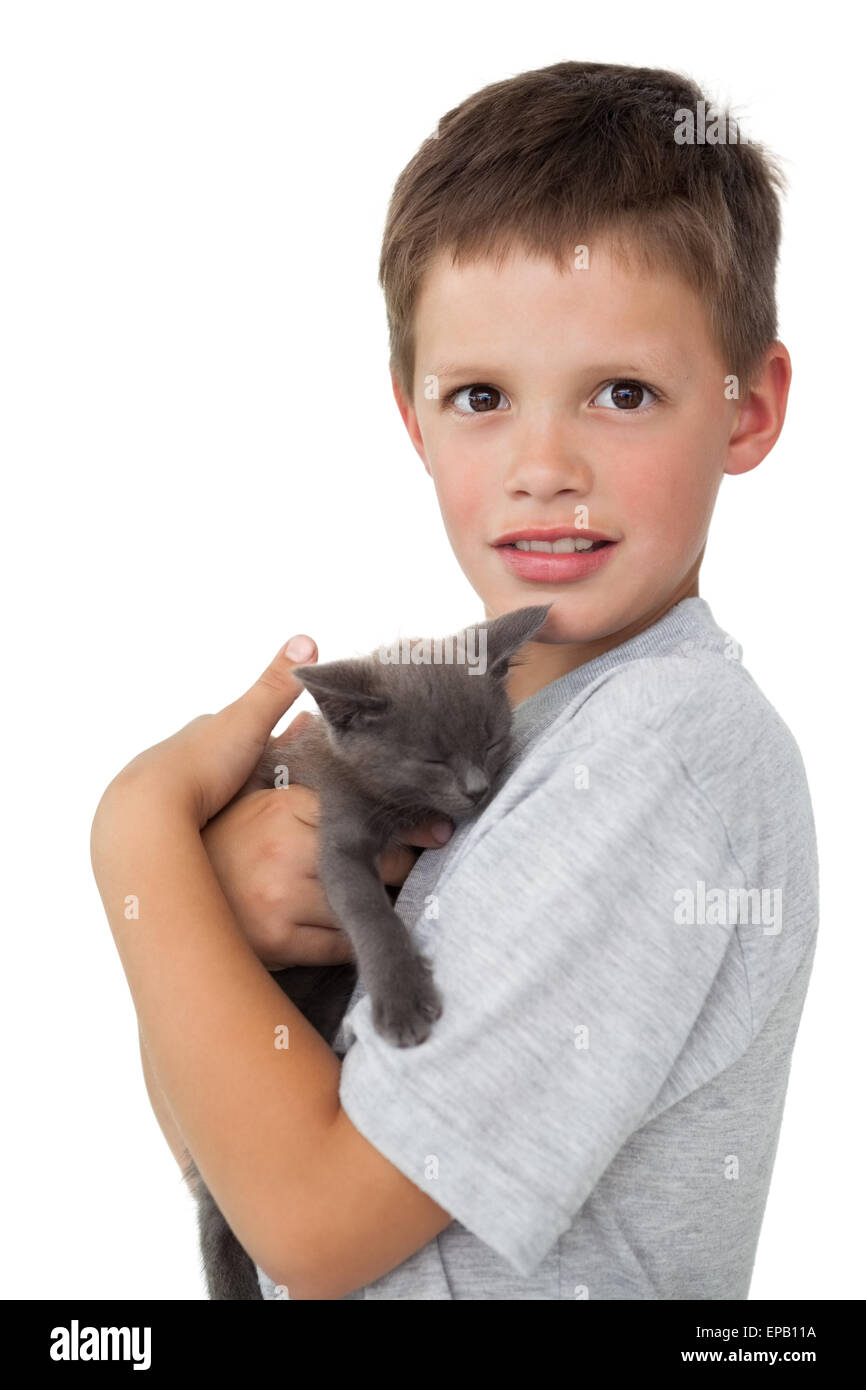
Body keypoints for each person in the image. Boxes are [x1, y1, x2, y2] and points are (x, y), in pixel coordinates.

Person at [91, 60, 818, 1300]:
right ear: (413, 417)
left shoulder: (664, 750)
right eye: (481, 396)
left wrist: (138, 836)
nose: (543, 465)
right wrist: (230, 923)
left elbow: (312, 1232)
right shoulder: (478, 722)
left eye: (622, 392)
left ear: (747, 409)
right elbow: (224, 1154)